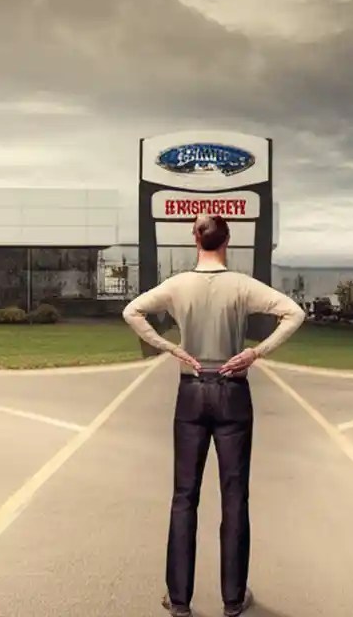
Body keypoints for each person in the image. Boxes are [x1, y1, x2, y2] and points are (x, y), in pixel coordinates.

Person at [123, 214, 306, 617]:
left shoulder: (178, 285)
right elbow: (293, 313)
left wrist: (168, 347)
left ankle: (180, 598)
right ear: (228, 240)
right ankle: (232, 598)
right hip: (232, 390)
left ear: (195, 239)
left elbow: (132, 311)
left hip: (191, 391)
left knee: (184, 496)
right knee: (234, 496)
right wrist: (256, 352)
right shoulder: (241, 285)